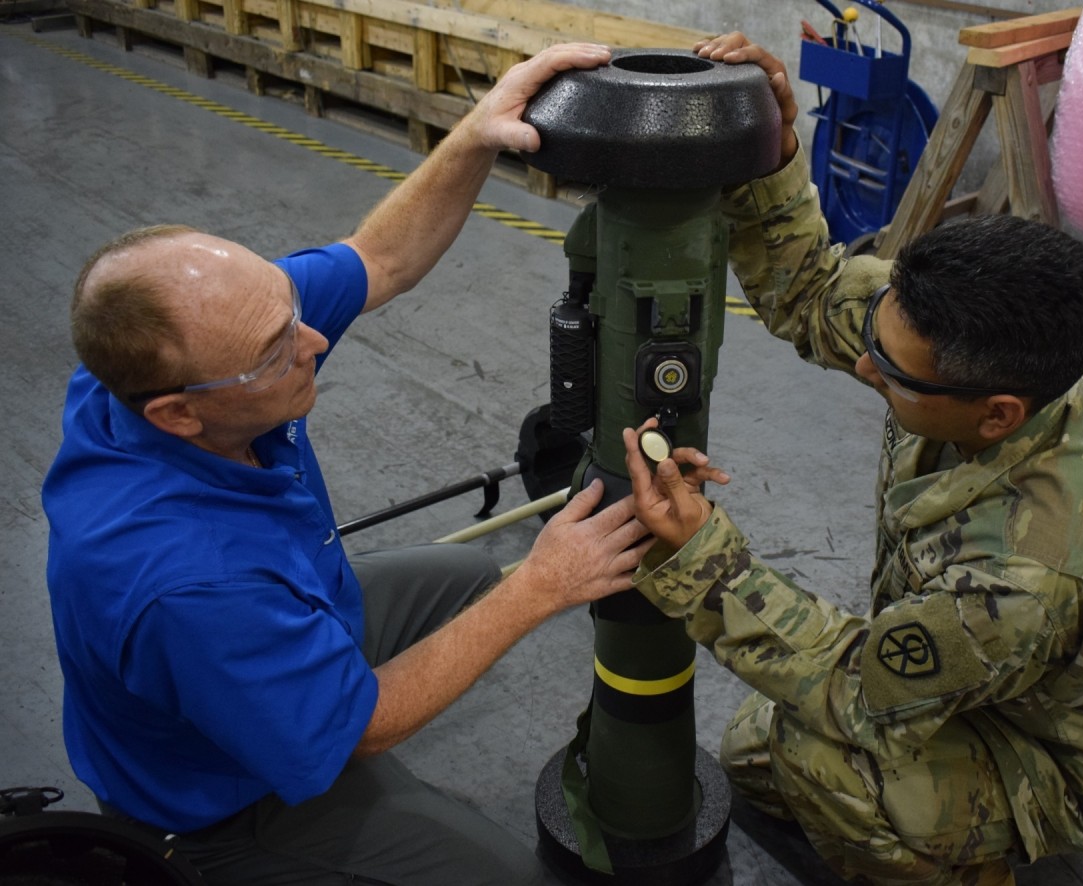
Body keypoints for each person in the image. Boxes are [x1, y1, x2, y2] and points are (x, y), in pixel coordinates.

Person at [42, 42, 653, 885]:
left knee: (466, 576)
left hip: (288, 603)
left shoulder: (153, 359)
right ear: (177, 413)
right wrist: (544, 583)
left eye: (289, 311)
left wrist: (476, 133)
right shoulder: (186, 583)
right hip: (223, 803)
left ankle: (310, 679)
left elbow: (381, 258)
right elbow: (367, 726)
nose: (314, 342)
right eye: (273, 350)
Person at [619, 32, 1083, 886]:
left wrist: (702, 557)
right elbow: (811, 294)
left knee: (822, 754)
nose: (866, 365)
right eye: (879, 330)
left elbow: (857, 684)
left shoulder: (1030, 573)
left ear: (997, 415)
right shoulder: (991, 346)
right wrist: (774, 153)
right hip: (978, 668)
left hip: (1066, 761)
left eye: (892, 371)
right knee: (749, 749)